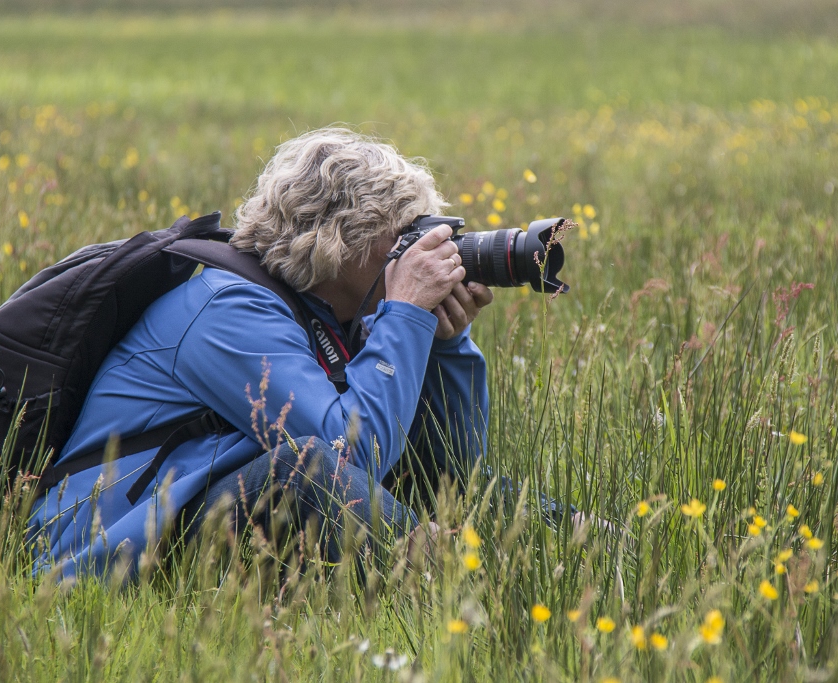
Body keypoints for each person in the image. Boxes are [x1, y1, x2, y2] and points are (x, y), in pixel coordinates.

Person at [28, 127, 493, 578]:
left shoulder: (326, 316)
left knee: (491, 495)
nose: (421, 252)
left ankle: (546, 538)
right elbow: (348, 456)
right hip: (103, 550)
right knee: (305, 470)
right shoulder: (226, 309)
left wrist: (446, 345)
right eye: (405, 236)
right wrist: (406, 313)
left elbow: (451, 474)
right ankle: (462, 576)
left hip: (194, 518)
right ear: (342, 238)